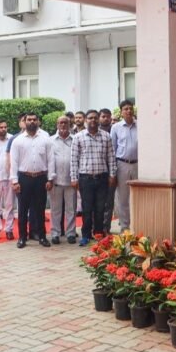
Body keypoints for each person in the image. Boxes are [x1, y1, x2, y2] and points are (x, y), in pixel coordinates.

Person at [71, 110, 116, 247]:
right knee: (86, 208)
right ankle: (85, 235)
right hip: (85, 178)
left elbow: (111, 157)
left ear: (98, 120)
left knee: (100, 208)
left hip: (102, 177)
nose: (93, 121)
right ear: (85, 120)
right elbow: (74, 159)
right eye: (90, 118)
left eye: (95, 118)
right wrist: (74, 178)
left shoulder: (106, 136)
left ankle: (98, 234)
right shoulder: (78, 137)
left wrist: (112, 174)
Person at [10, 112, 55, 248]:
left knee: (40, 210)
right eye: (29, 120)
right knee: (22, 210)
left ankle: (42, 237)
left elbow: (51, 159)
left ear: (38, 122)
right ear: (24, 121)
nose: (31, 122)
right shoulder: (18, 140)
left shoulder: (46, 138)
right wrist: (15, 181)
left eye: (34, 119)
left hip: (41, 178)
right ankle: (22, 238)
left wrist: (50, 178)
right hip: (24, 178)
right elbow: (14, 162)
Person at [110, 100, 138, 232]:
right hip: (122, 164)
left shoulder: (140, 125)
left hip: (138, 164)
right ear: (121, 112)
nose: (129, 111)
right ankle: (125, 226)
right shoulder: (116, 128)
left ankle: (137, 223)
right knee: (123, 197)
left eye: (130, 108)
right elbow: (112, 150)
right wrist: (113, 171)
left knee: (137, 196)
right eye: (125, 109)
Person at [49, 116, 77, 244]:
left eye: (66, 122)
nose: (63, 125)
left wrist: (76, 178)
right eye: (61, 122)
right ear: (57, 124)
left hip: (71, 181)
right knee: (55, 209)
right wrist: (49, 179)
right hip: (56, 181)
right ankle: (55, 233)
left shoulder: (75, 140)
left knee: (71, 209)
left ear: (70, 124)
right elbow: (48, 161)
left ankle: (71, 233)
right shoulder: (51, 141)